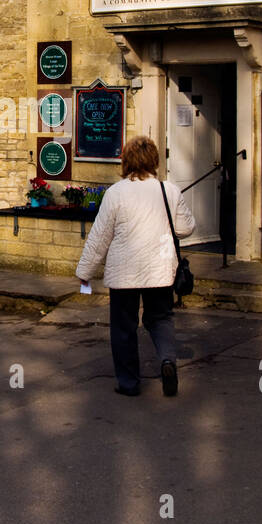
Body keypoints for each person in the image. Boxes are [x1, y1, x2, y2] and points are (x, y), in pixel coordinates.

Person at [76, 135, 195, 397]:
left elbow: (99, 238)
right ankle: (167, 360)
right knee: (161, 318)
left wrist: (85, 273)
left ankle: (129, 383)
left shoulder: (116, 193)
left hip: (124, 274)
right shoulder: (169, 190)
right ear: (154, 160)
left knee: (123, 327)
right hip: (160, 269)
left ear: (126, 161)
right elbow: (186, 227)